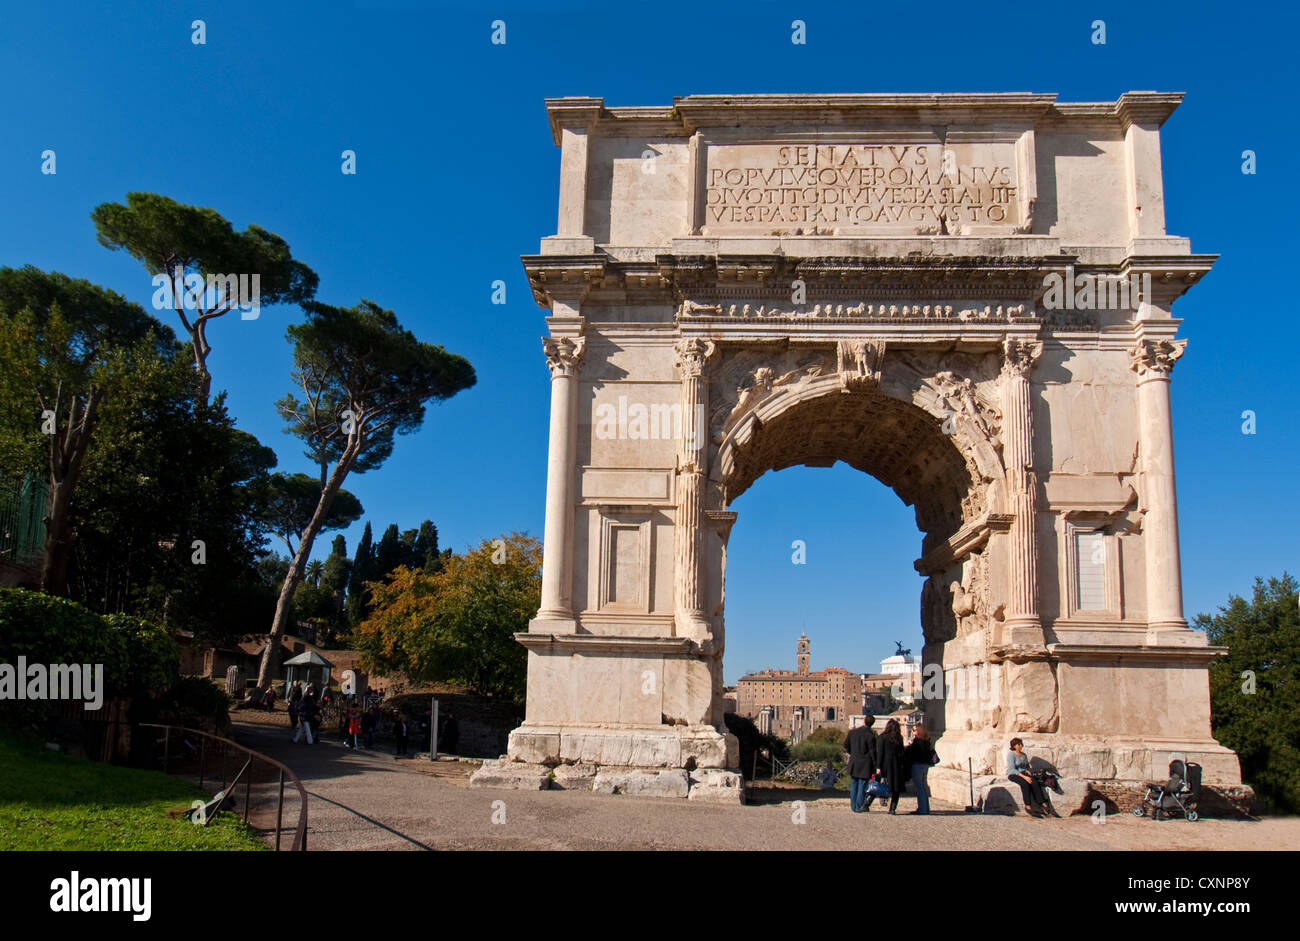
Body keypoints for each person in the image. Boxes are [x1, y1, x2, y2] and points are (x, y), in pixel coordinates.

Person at [1007, 737, 1056, 817]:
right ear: (1014, 746)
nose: (1020, 746)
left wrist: (1028, 770)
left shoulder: (1024, 755)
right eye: (1018, 744)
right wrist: (1025, 777)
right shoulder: (1011, 755)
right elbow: (1012, 769)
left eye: (1021, 744)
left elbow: (1026, 766)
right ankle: (1028, 806)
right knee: (1025, 784)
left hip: (1024, 773)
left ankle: (1042, 803)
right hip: (1014, 774)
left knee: (1034, 782)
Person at [842, 717, 878, 813]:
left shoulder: (853, 732)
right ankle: (858, 806)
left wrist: (852, 753)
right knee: (862, 785)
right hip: (865, 763)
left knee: (854, 784)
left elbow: (845, 745)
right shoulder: (870, 736)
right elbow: (872, 752)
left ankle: (853, 806)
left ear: (864, 721)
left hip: (854, 761)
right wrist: (876, 765)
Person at [903, 723, 936, 815]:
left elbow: (911, 753)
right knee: (923, 787)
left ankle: (922, 809)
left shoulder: (917, 742)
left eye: (914, 730)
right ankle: (925, 808)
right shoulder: (926, 741)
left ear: (918, 731)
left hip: (917, 765)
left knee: (919, 788)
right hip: (925, 765)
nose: (912, 732)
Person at [875, 718, 907, 814]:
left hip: (885, 765)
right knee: (895, 788)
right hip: (896, 765)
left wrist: (878, 766)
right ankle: (892, 808)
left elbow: (880, 753)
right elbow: (902, 752)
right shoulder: (899, 738)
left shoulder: (883, 737)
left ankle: (867, 804)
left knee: (881, 785)